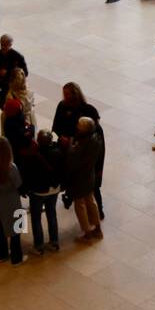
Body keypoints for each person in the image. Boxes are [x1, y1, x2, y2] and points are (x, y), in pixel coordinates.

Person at [52, 82, 104, 218]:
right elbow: (56, 126)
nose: (65, 97)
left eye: (67, 94)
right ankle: (70, 196)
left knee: (92, 185)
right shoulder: (62, 106)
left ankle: (99, 211)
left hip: (85, 154)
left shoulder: (88, 111)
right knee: (71, 176)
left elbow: (97, 146)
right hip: (69, 150)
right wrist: (64, 139)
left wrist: (71, 141)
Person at [0, 137, 24, 266]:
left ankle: (1, 254)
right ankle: (16, 258)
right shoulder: (11, 167)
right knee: (16, 228)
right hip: (11, 198)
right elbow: (18, 183)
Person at [20, 131, 62, 253]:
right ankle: (54, 242)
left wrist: (25, 189)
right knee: (52, 214)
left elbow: (27, 175)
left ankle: (39, 245)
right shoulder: (57, 152)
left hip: (38, 192)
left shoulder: (33, 156)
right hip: (53, 189)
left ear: (38, 141)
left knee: (36, 218)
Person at [65, 117, 104, 242]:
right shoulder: (96, 139)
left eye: (79, 125)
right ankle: (97, 228)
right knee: (91, 201)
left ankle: (87, 232)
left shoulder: (82, 144)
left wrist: (70, 143)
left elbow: (72, 158)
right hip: (90, 175)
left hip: (79, 177)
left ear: (84, 130)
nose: (76, 126)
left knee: (80, 205)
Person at [0, 34, 28, 108]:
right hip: (2, 87)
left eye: (5, 45)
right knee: (2, 106)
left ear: (10, 44)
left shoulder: (18, 57)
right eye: (1, 44)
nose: (2, 47)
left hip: (14, 87)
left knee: (15, 108)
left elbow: (25, 73)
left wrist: (9, 72)